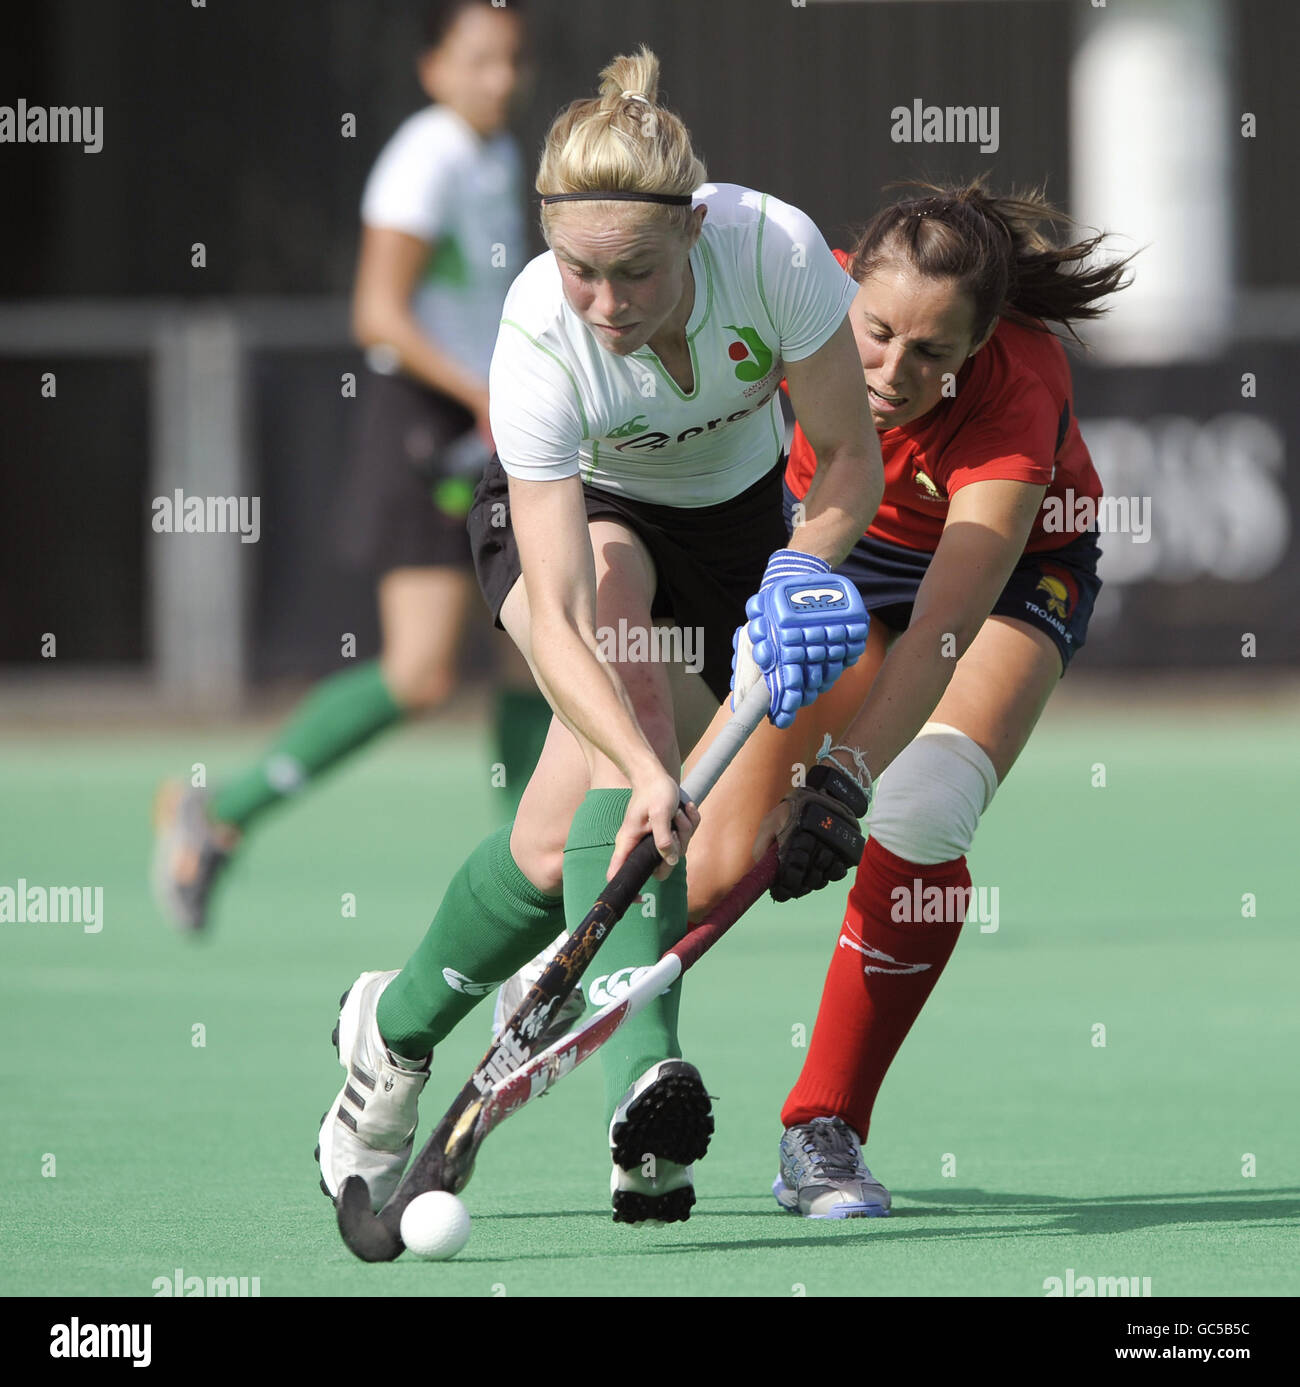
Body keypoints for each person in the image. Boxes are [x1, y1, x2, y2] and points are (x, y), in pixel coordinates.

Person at [315, 46, 883, 1225]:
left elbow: (850, 459)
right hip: (582, 519)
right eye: (580, 271)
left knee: (542, 852)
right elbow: (568, 606)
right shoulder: (538, 332)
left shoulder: (774, 252)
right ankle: (648, 1099)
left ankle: (392, 1030)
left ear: (694, 232)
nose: (607, 304)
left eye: (634, 273)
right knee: (632, 746)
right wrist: (640, 762)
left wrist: (796, 573)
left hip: (737, 527)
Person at [678, 176, 1134, 1218]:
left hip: (1009, 575)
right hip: (836, 549)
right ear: (848, 290)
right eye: (876, 333)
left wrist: (842, 781)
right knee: (710, 861)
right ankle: (479, 999)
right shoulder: (793, 292)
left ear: (976, 347)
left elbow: (942, 624)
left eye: (932, 353)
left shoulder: (1019, 387)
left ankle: (821, 1126)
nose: (890, 371)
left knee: (921, 806)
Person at [151, 0, 552, 932]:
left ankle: (538, 876)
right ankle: (220, 812)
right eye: (480, 59)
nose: (500, 78)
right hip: (427, 423)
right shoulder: (428, 153)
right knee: (420, 673)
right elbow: (379, 312)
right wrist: (481, 395)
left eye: (513, 60)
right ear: (433, 68)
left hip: (489, 421)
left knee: (529, 653)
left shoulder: (495, 157)